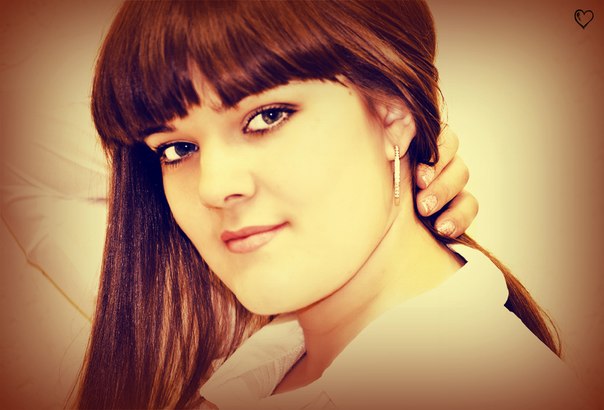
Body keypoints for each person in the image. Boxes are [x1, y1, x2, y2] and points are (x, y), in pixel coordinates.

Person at [74, 1, 587, 409]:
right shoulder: (258, 360)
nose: (213, 187)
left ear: (393, 113)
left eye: (267, 116)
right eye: (177, 149)